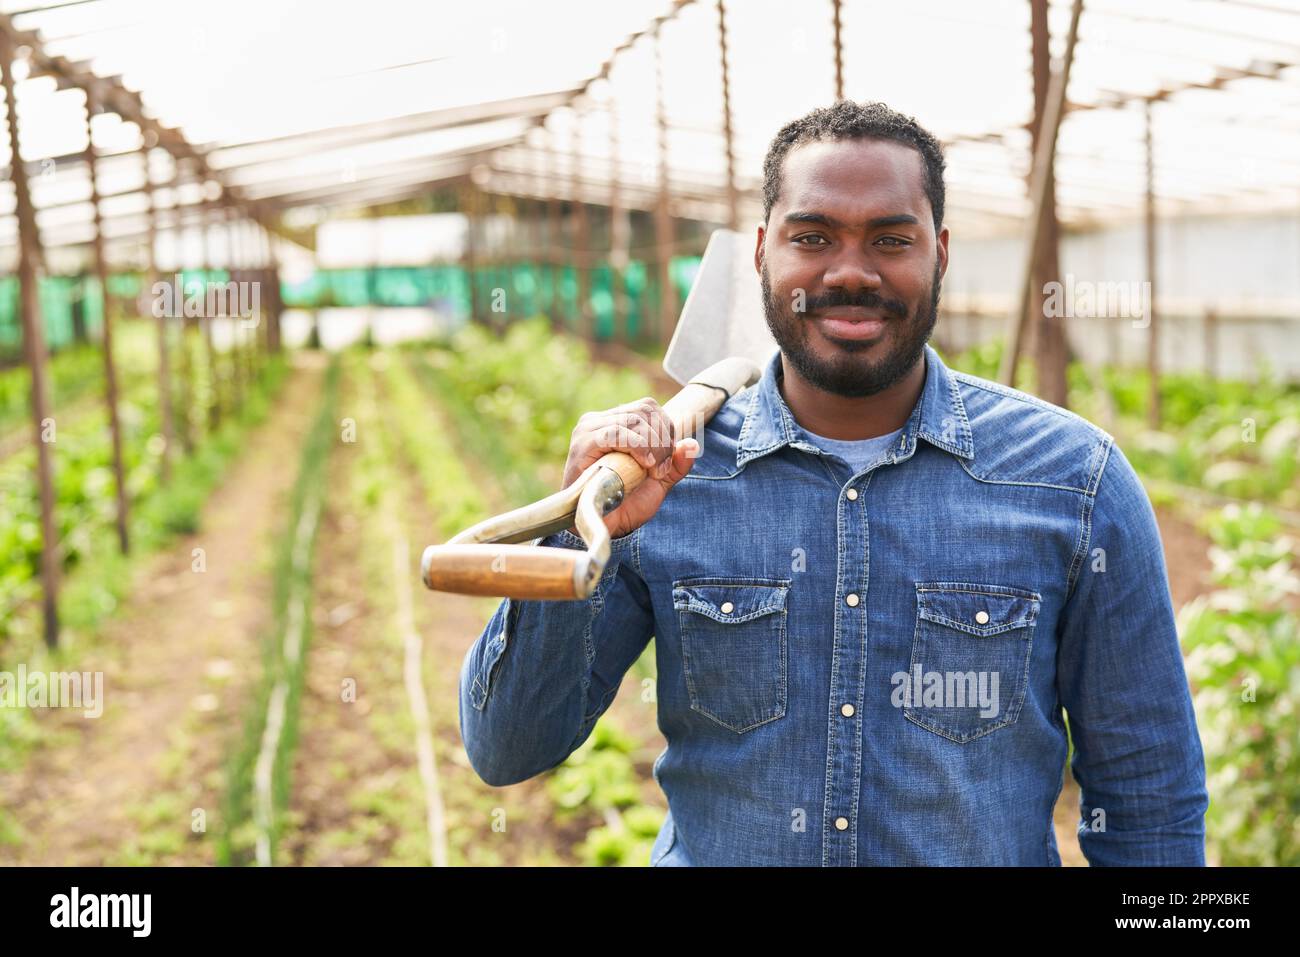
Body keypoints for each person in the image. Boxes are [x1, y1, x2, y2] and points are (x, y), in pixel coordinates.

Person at [458, 100, 1208, 866]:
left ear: (940, 254)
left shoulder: (1072, 481)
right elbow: (509, 746)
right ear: (761, 254)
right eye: (812, 237)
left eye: (891, 238)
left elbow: (1149, 798)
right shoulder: (669, 478)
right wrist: (577, 520)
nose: (850, 272)